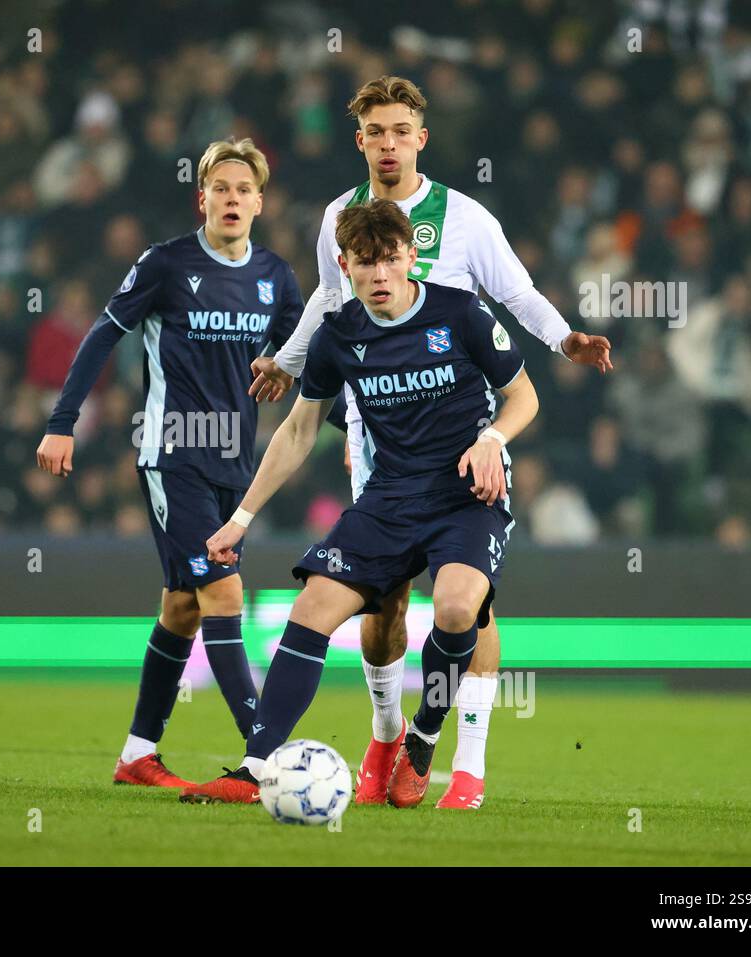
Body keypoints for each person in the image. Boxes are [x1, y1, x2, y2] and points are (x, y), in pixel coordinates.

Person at [249, 76, 609, 809]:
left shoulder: (465, 218)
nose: (387, 143)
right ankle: (385, 733)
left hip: (465, 438)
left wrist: (564, 337)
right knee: (381, 608)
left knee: (466, 605)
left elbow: (514, 291)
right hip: (379, 434)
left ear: (421, 137)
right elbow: (328, 301)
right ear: (361, 140)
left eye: (399, 130)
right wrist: (288, 362)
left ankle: (460, 762)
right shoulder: (338, 219)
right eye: (375, 131)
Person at [182, 200, 538, 806]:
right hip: (388, 498)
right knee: (311, 607)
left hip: (465, 495)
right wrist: (239, 519)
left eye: (388, 261)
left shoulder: (461, 314)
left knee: (456, 609)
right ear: (343, 266)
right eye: (363, 264)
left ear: (412, 257)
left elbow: (524, 397)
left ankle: (423, 738)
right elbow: (297, 431)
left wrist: (491, 439)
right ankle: (255, 767)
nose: (377, 276)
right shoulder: (339, 334)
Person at [37, 138, 301, 788]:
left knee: (182, 609)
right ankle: (265, 757)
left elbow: (307, 350)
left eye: (244, 189)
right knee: (222, 592)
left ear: (259, 202)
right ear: (202, 196)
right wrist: (62, 422)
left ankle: (137, 753)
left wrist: (286, 366)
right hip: (172, 453)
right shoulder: (166, 264)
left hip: (238, 462)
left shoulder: (276, 276)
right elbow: (103, 333)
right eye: (221, 187)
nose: (233, 198)